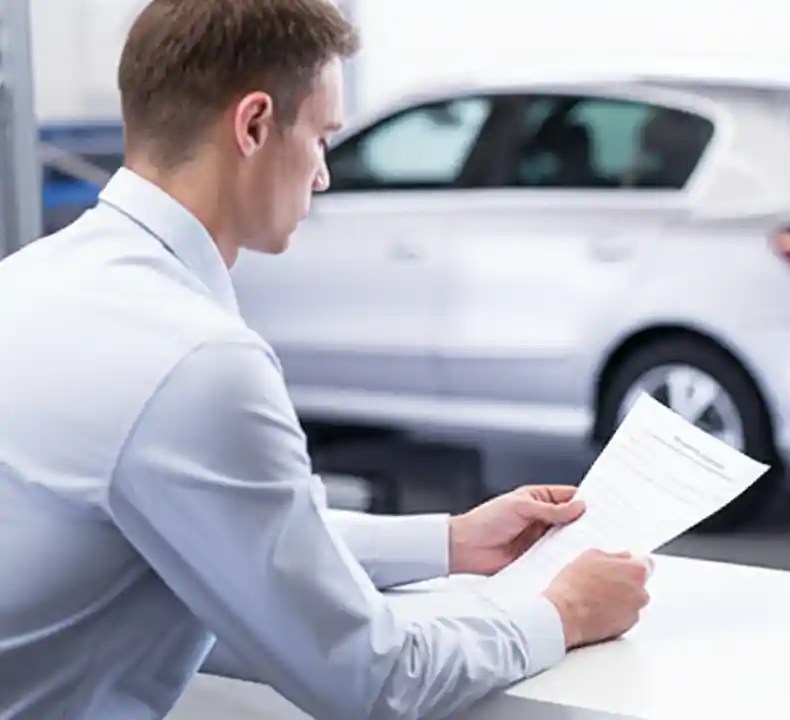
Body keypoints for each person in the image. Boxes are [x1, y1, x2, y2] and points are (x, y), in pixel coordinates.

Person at [0, 1, 652, 718]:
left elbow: (239, 523)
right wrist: (561, 614)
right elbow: (370, 680)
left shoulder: (30, 281)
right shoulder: (196, 361)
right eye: (321, 137)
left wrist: (452, 542)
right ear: (252, 125)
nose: (324, 176)